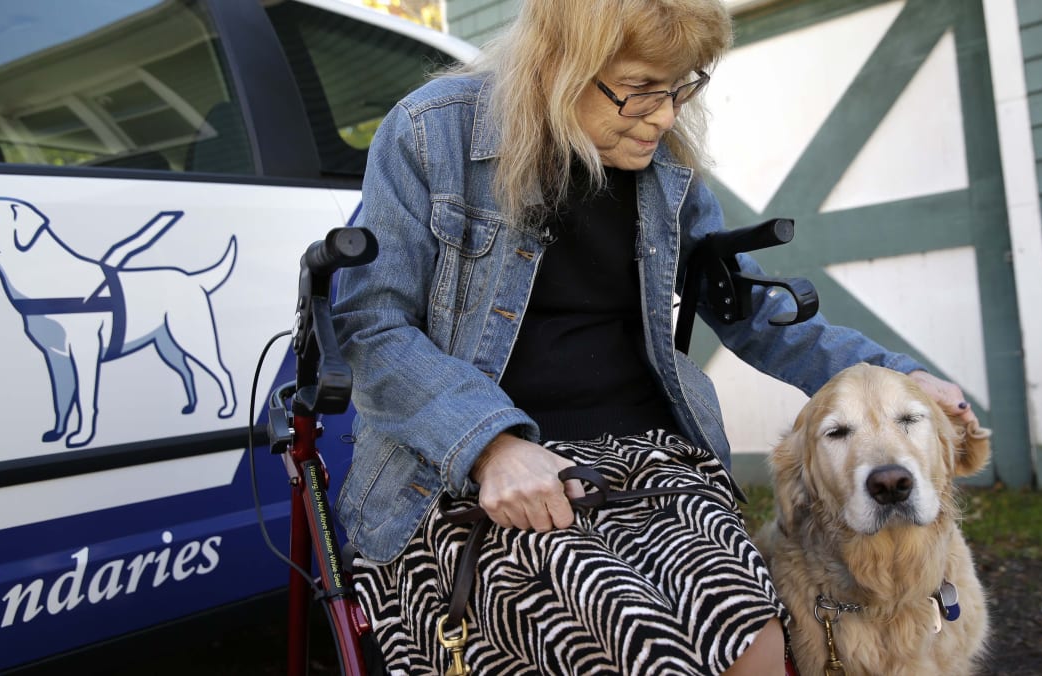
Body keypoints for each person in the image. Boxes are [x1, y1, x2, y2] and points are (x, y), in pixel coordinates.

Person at [331, 0, 978, 673]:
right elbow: (372, 329)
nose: (666, 116)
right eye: (640, 90)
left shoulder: (665, 166)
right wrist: (491, 446)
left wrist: (899, 377)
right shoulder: (432, 134)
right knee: (632, 637)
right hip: (474, 472)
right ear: (561, 63)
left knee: (754, 644)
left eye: (681, 87)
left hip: (648, 460)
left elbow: (753, 311)